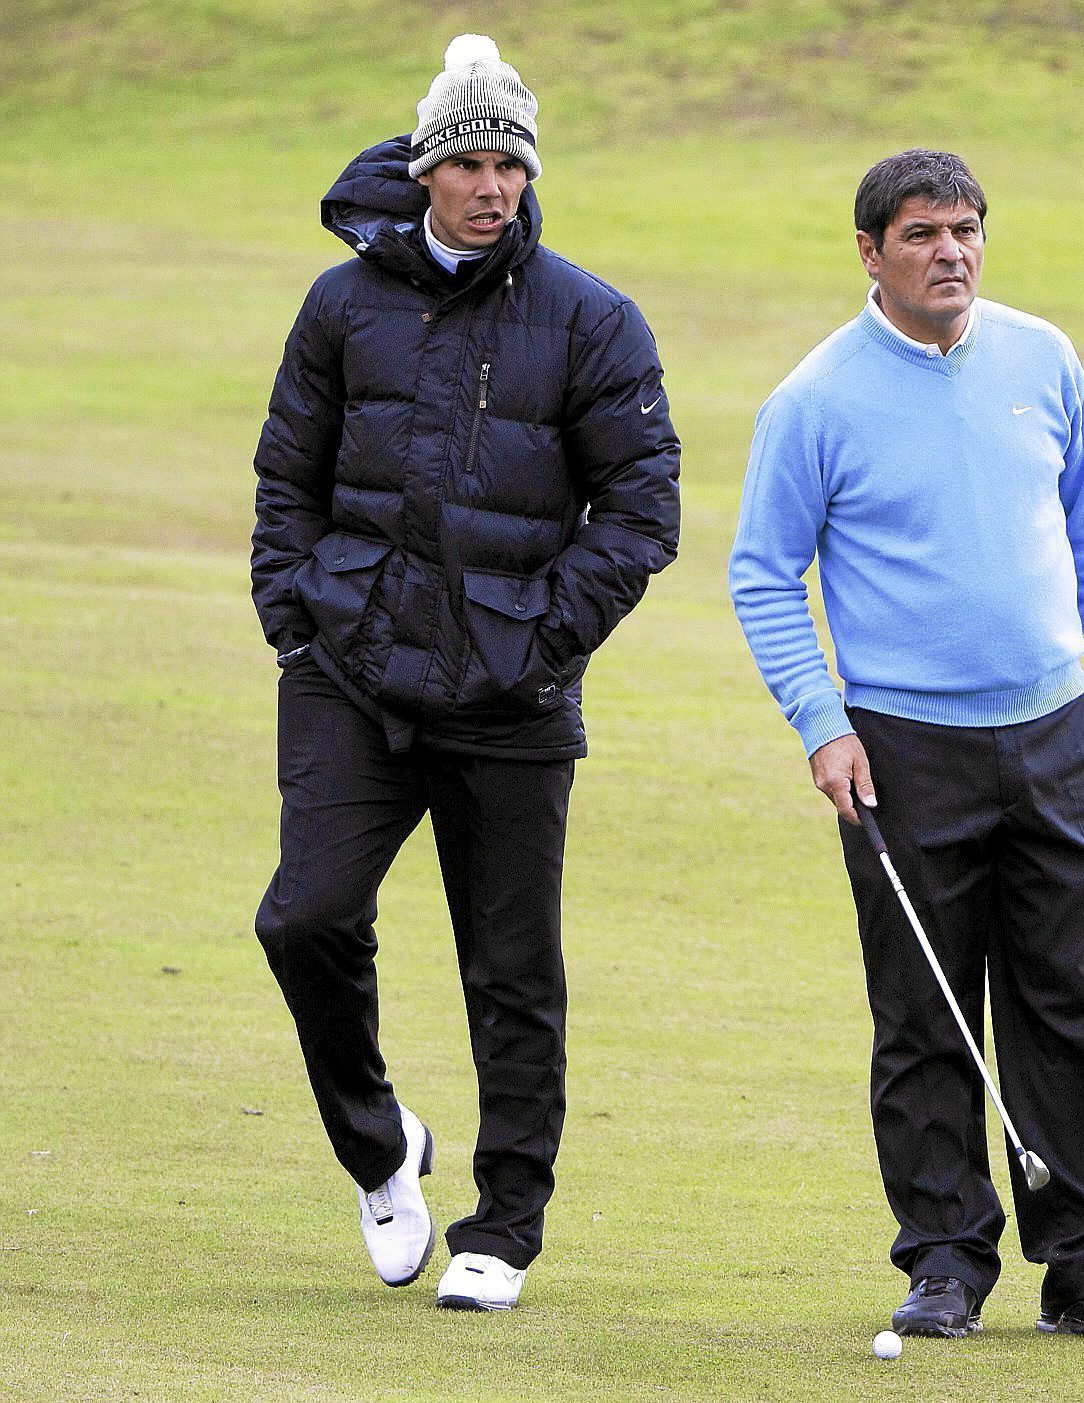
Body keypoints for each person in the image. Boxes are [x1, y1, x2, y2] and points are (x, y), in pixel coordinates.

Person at [728, 149, 1084, 1346]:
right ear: (872, 253)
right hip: (902, 747)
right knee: (925, 1009)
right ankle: (944, 1259)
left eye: (968, 228)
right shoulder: (815, 399)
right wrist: (820, 723)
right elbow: (762, 574)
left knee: (1061, 998)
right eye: (924, 233)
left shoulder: (1042, 357)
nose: (952, 251)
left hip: (1050, 726)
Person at [248, 34, 680, 1312]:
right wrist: (294, 616)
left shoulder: (592, 317)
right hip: (351, 672)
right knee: (304, 918)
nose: (494, 186)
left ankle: (505, 1223)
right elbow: (289, 476)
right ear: (425, 169)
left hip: (511, 700)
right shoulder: (340, 306)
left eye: (512, 162)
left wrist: (540, 638)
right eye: (471, 162)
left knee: (510, 970)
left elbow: (641, 510)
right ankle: (381, 1147)